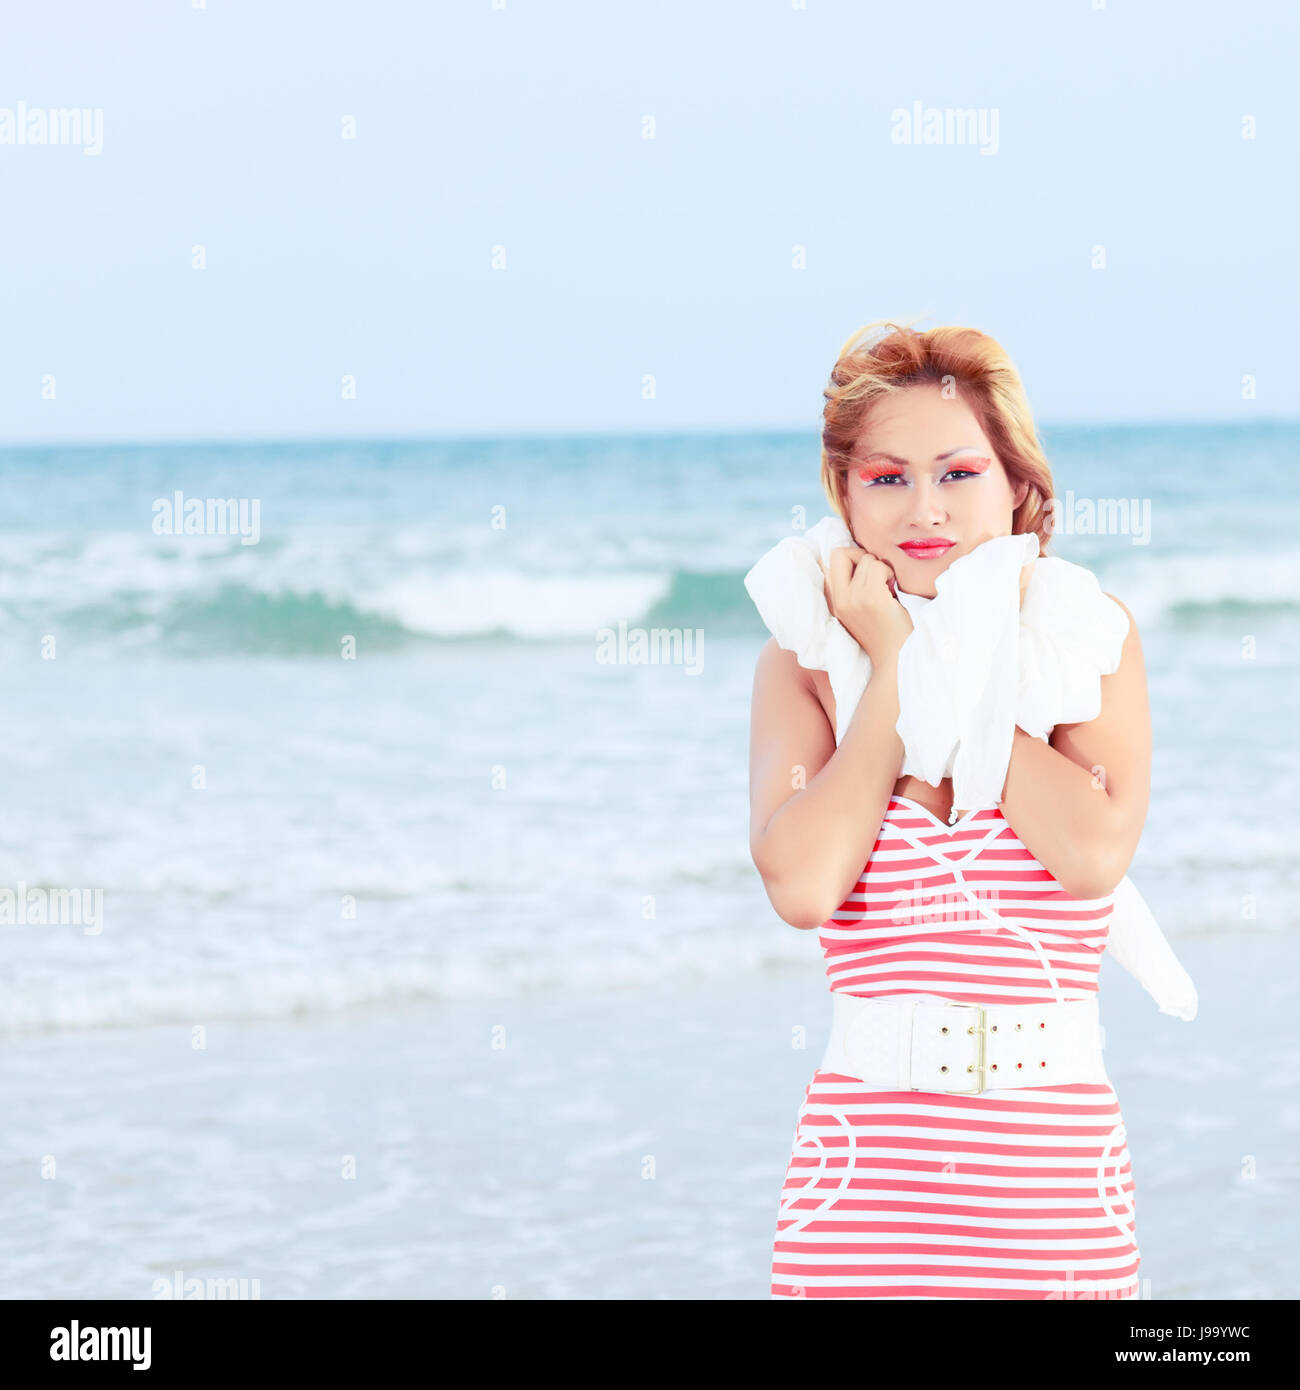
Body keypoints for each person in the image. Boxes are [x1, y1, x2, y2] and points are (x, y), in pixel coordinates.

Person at [748, 320, 1150, 1299]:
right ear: (843, 492)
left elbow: (1091, 851)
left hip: (1051, 1193)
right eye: (885, 477)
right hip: (860, 1192)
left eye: (957, 472)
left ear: (1016, 483)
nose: (922, 507)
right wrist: (890, 664)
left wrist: (949, 669)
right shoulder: (804, 667)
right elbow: (802, 886)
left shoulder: (1083, 642)